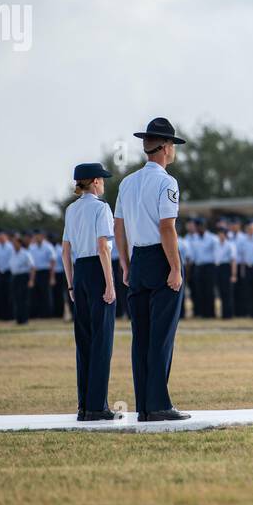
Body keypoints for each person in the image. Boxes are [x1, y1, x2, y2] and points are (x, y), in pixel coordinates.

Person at [114, 117, 190, 421]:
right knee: (161, 336)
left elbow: (118, 227)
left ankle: (144, 405)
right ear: (167, 148)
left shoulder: (127, 182)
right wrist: (175, 268)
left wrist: (125, 264)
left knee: (141, 337)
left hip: (138, 259)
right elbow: (167, 228)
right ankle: (158, 404)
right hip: (160, 258)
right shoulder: (166, 182)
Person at [62, 163, 121, 421]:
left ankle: (84, 405)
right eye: (102, 179)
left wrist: (71, 283)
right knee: (102, 340)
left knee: (84, 341)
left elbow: (65, 250)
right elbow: (103, 247)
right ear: (95, 181)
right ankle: (98, 406)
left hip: (79, 271)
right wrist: (109, 283)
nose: (104, 183)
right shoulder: (101, 208)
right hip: (97, 271)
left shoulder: (71, 209)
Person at [8, 232, 34, 325]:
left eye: (15, 243)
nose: (13, 245)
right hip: (15, 277)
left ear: (19, 243)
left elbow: (32, 267)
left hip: (23, 277)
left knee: (24, 299)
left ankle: (24, 319)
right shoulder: (12, 253)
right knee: (16, 299)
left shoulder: (25, 253)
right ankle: (18, 319)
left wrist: (31, 280)